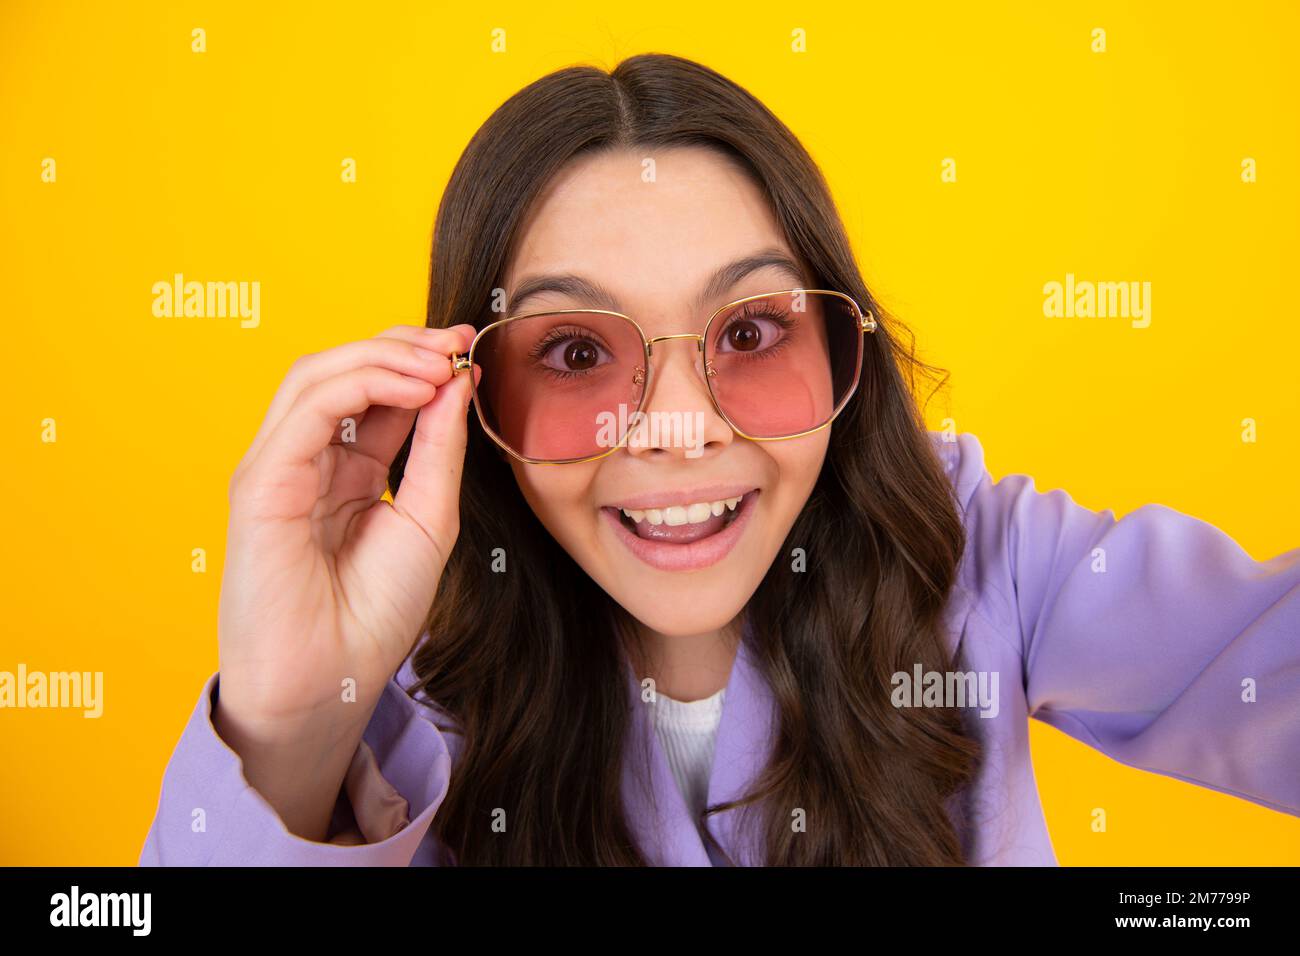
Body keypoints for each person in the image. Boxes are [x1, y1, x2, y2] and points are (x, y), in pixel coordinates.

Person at [139, 53, 1299, 866]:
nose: (678, 426)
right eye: (580, 350)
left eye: (748, 332)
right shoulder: (388, 713)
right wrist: (291, 727)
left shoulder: (976, 554)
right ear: (470, 396)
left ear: (836, 347)